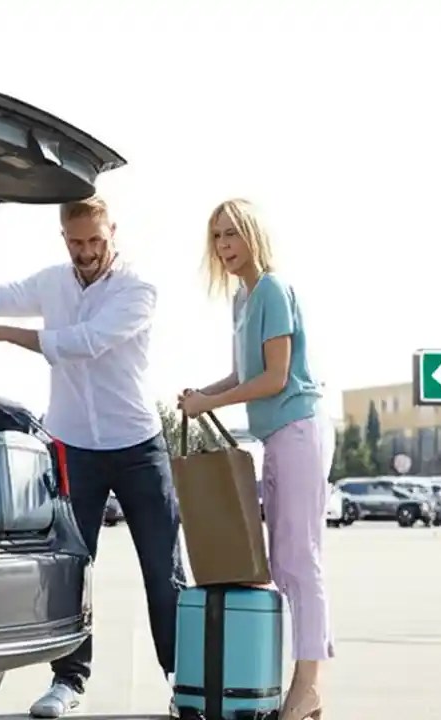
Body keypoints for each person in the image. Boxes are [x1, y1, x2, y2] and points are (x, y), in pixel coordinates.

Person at [0, 195, 186, 719]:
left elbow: (85, 342)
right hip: (74, 446)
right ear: (64, 238)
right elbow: (5, 294)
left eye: (96, 240)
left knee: (163, 570)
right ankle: (68, 680)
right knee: (72, 569)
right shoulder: (54, 280)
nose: (87, 251)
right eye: (77, 242)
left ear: (112, 232)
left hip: (138, 445)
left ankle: (183, 680)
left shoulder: (137, 289)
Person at [178, 198, 335, 720]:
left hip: (297, 427)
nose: (224, 246)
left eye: (232, 235)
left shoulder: (271, 289)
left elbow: (274, 378)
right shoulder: (242, 302)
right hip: (275, 436)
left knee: (299, 560)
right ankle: (287, 681)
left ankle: (310, 685)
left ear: (253, 237)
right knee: (276, 561)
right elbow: (242, 373)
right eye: (217, 237)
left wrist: (213, 403)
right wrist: (200, 394)